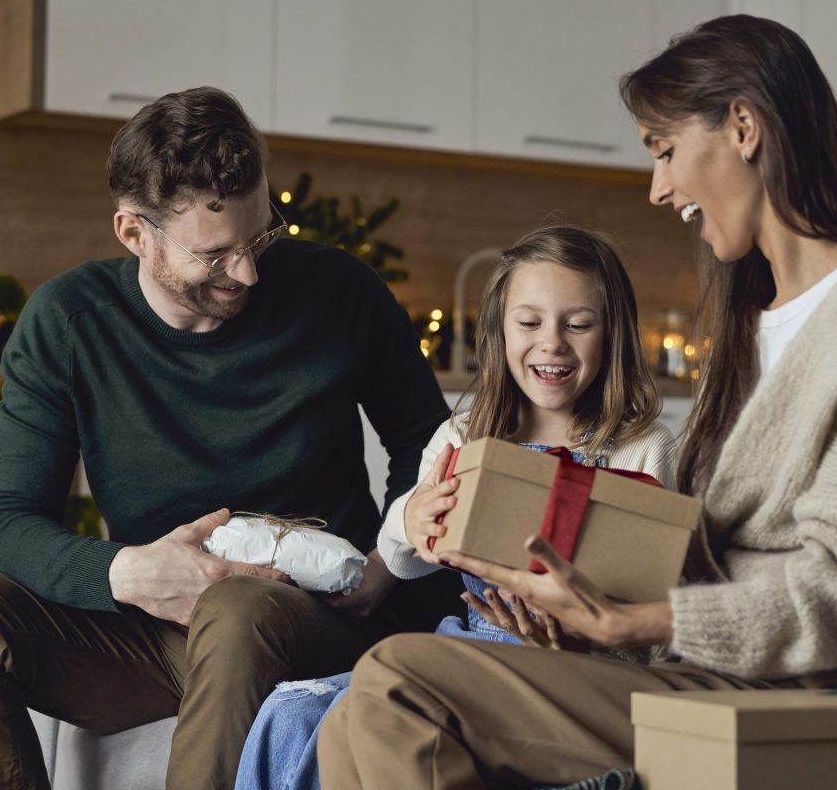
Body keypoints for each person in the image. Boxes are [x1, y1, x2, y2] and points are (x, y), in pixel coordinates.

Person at [317, 14, 837, 789]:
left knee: (401, 681)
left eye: (665, 149)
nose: (658, 187)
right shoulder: (757, 323)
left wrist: (639, 622)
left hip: (834, 700)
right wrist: (589, 632)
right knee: (356, 711)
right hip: (723, 678)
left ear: (743, 126)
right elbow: (718, 567)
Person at [0, 86, 460, 790]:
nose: (248, 272)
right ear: (135, 234)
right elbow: (7, 524)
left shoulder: (339, 291)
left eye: (261, 238)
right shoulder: (70, 321)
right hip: (148, 631)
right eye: (217, 255)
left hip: (305, 623)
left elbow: (434, 448)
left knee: (238, 605)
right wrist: (131, 573)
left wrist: (385, 566)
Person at [234, 225, 679, 790]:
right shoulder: (464, 436)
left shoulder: (645, 447)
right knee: (292, 712)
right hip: (470, 645)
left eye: (579, 324)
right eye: (529, 322)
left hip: (585, 668)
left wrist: (594, 640)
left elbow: (666, 604)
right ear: (497, 330)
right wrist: (413, 522)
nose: (553, 343)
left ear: (612, 334)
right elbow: (405, 556)